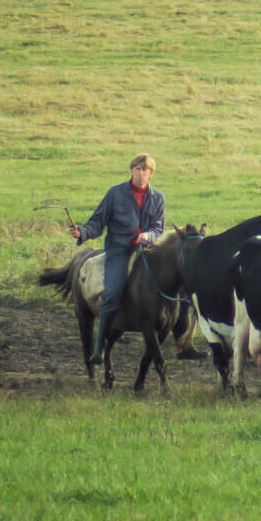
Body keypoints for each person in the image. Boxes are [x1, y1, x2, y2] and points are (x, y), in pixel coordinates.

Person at [71, 154, 166, 365]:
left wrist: (148, 236)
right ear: (131, 171)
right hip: (119, 252)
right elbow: (97, 222)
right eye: (137, 169)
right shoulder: (115, 194)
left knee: (177, 285)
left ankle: (185, 342)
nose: (141, 174)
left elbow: (158, 228)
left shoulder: (157, 197)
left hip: (147, 252)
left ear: (151, 173)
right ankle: (99, 348)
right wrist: (82, 233)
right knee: (112, 293)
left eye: (145, 170)